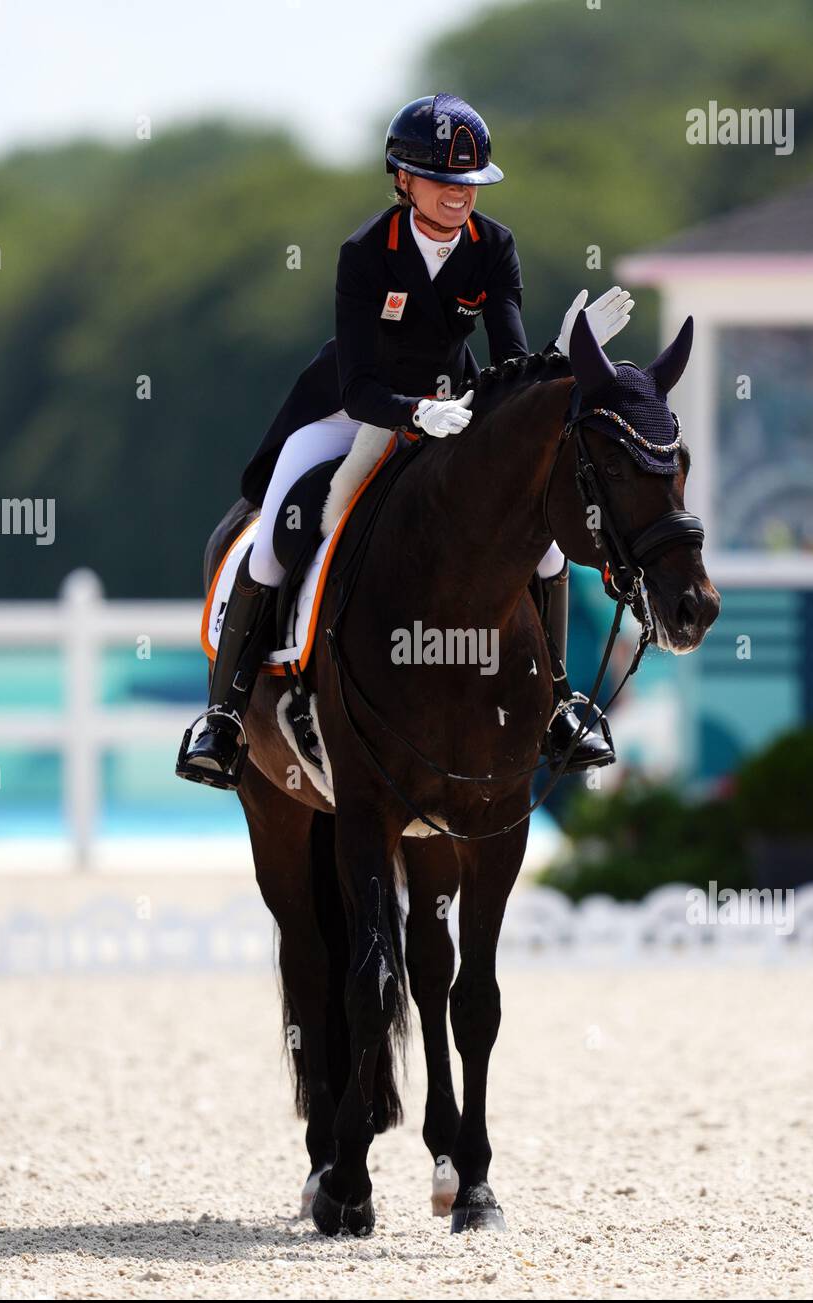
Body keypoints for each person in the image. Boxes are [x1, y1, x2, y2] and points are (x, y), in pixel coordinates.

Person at [177, 93, 633, 788]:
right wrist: (416, 414)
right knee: (276, 535)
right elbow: (361, 384)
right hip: (349, 406)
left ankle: (562, 704)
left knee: (539, 544)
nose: (459, 197)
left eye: (469, 185)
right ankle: (226, 717)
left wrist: (567, 354)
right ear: (404, 180)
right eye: (445, 183)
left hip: (460, 400)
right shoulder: (366, 254)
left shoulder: (494, 247)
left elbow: (509, 364)